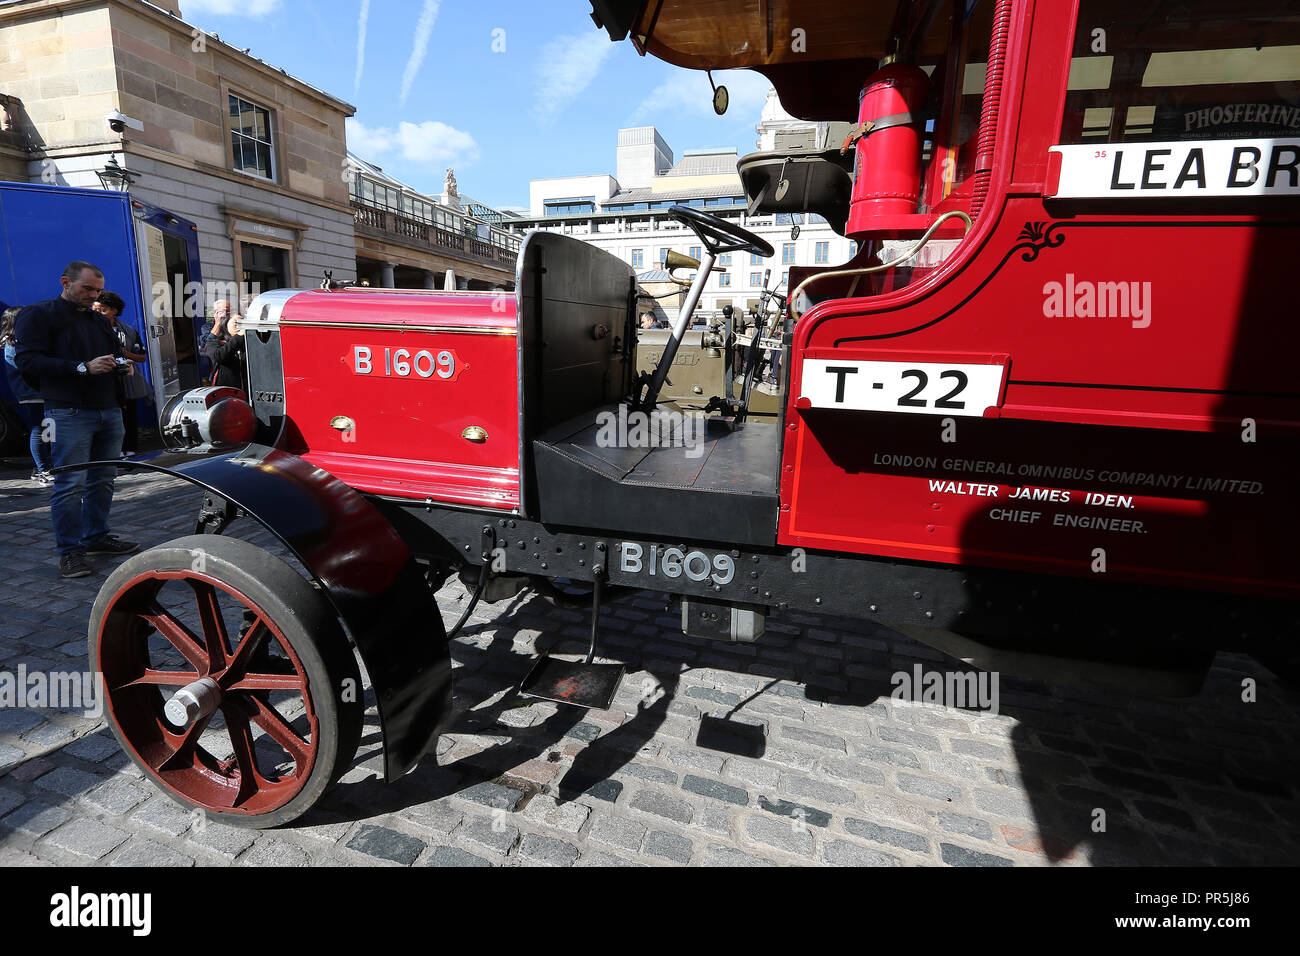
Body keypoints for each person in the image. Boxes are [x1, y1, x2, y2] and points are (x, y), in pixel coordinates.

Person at [14, 261, 140, 578]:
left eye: (97, 290)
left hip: (109, 408)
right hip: (67, 411)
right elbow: (27, 360)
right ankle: (70, 552)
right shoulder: (39, 313)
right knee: (70, 484)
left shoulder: (99, 320)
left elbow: (114, 353)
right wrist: (81, 368)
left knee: (103, 479)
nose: (93, 295)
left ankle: (95, 537)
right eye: (87, 288)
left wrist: (123, 364)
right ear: (65, 282)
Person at [93, 291, 149, 458]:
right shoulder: (87, 330)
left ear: (114, 311)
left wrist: (125, 353)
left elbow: (142, 357)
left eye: (102, 310)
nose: (97, 313)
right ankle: (112, 450)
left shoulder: (129, 332)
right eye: (94, 309)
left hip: (125, 380)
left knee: (129, 416)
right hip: (101, 382)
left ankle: (129, 448)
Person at [2, 306, 54, 484]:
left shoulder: (19, 340)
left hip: (40, 391)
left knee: (49, 428)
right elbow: (28, 366)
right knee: (39, 430)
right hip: (32, 392)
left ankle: (45, 464)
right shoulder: (13, 343)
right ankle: (43, 469)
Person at [202, 299, 247, 392]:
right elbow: (208, 346)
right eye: (225, 311)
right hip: (225, 383)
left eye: (230, 311)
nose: (228, 315)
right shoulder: (208, 328)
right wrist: (218, 323)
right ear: (215, 312)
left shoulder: (233, 325)